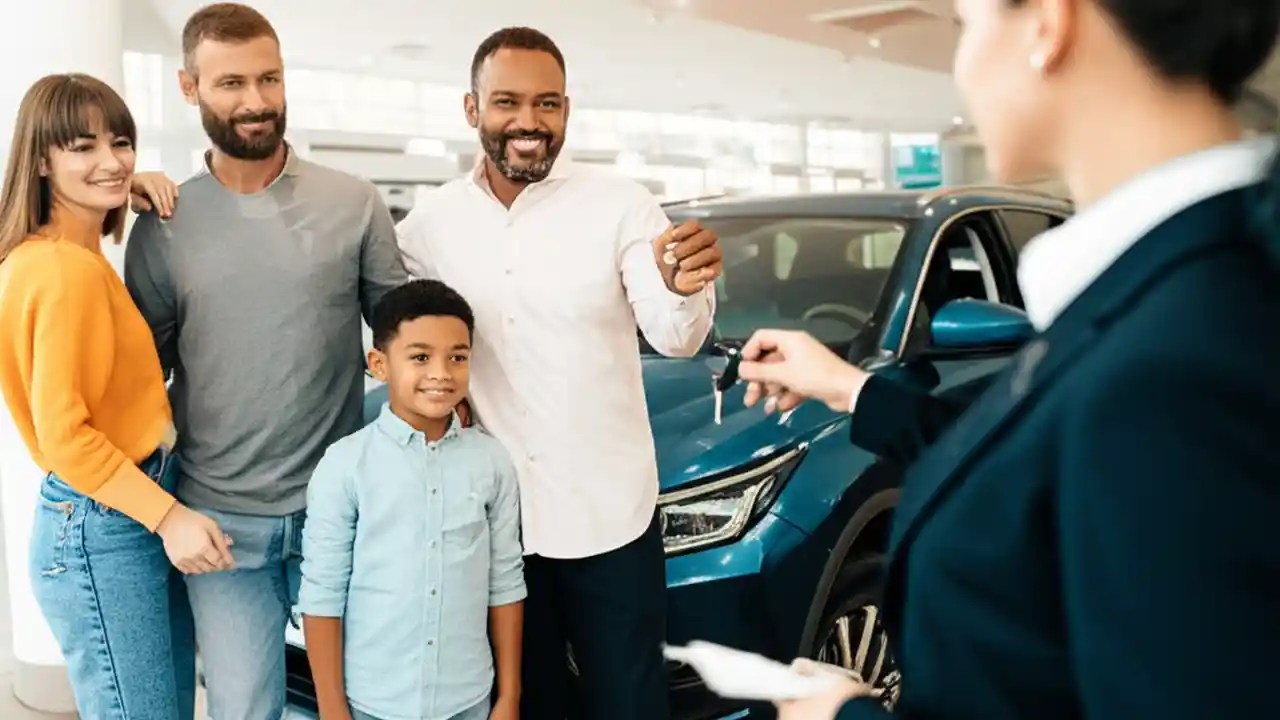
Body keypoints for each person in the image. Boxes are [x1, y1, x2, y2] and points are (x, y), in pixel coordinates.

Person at [734, 1, 1280, 718]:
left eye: (967, 24)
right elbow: (1045, 475)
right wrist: (848, 387)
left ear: (1050, 22)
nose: (962, 66)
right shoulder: (1180, 282)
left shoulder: (1181, 363)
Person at [396, 26, 724, 720]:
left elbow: (678, 337)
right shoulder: (429, 225)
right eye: (507, 102)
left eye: (547, 104)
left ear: (566, 110)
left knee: (629, 705)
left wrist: (682, 285)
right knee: (525, 705)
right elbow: (399, 335)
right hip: (494, 527)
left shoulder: (622, 205)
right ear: (471, 108)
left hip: (610, 519)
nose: (529, 122)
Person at [122, 4, 409, 718]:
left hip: (340, 510)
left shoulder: (354, 203)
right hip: (219, 524)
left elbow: (403, 339)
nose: (256, 101)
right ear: (189, 88)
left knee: (374, 698)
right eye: (231, 84)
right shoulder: (164, 225)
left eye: (269, 79)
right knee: (244, 708)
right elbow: (139, 375)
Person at [0, 73, 235, 720]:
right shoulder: (63, 273)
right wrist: (168, 517)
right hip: (106, 521)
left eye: (121, 143)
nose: (111, 159)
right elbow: (66, 438)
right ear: (41, 160)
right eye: (82, 147)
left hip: (116, 510)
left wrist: (116, 188)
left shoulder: (57, 254)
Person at [298, 279, 525, 720]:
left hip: (468, 700)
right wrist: (332, 709)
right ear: (379, 365)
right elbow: (322, 593)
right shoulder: (346, 465)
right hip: (373, 704)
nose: (441, 373)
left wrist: (509, 697)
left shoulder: (491, 461)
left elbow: (506, 580)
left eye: (457, 357)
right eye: (420, 357)